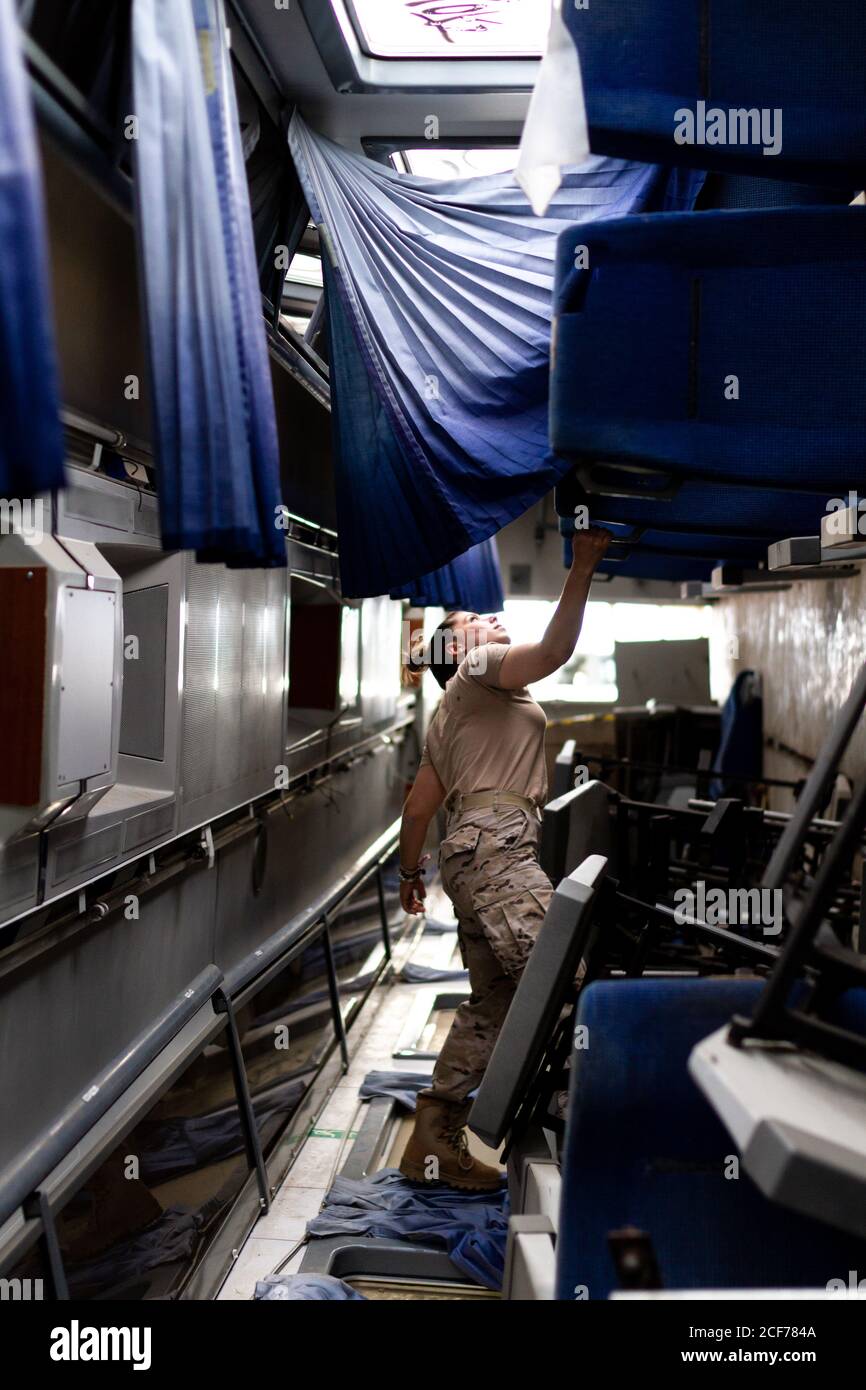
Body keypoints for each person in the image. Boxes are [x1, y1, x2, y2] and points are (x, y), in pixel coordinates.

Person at [397, 526, 611, 1189]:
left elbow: (417, 809)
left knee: (494, 1002)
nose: (491, 618)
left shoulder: (449, 716)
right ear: (457, 650)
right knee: (565, 979)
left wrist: (412, 875)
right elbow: (553, 651)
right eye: (474, 619)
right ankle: (583, 1126)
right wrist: (579, 570)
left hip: (470, 858)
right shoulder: (478, 669)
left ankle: (431, 1141)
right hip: (496, 852)